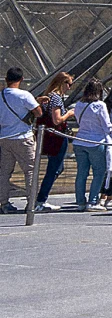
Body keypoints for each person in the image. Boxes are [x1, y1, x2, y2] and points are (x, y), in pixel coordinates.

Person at [1, 68, 43, 212]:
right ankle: (31, 203)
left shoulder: (1, 96)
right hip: (23, 137)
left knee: (4, 172)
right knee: (30, 171)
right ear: (22, 79)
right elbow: (38, 113)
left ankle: (4, 203)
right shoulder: (24, 95)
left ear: (6, 79)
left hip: (4, 137)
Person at [32, 73, 73, 211]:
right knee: (54, 168)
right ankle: (40, 199)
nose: (69, 88)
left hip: (48, 136)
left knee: (56, 168)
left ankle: (40, 197)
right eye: (69, 84)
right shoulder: (56, 98)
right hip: (57, 137)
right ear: (62, 83)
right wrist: (69, 114)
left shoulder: (47, 96)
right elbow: (57, 120)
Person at [68, 80, 111, 210]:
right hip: (96, 142)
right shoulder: (100, 105)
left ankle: (80, 201)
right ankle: (93, 201)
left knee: (82, 173)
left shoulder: (79, 104)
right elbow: (106, 125)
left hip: (79, 140)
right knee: (99, 172)